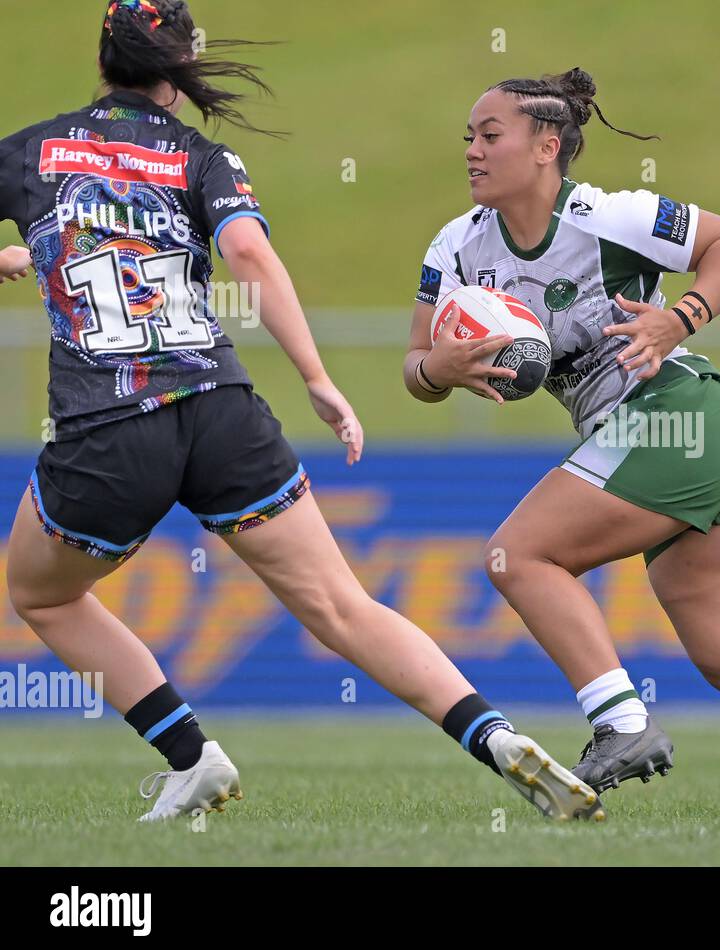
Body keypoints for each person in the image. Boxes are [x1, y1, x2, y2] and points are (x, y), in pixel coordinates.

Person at [0, 0, 602, 823]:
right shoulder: (200, 155)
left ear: (103, 62)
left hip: (109, 424)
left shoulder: (29, 150)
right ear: (177, 78)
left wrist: (33, 247)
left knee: (42, 594)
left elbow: (92, 238)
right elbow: (247, 253)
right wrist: (318, 380)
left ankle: (193, 756)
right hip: (222, 409)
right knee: (342, 607)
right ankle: (494, 736)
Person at [405, 67, 720, 804]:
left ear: (546, 145)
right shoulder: (455, 247)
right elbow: (414, 365)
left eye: (490, 136)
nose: (472, 151)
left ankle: (620, 724)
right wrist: (441, 368)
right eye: (469, 138)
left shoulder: (608, 214)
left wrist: (678, 318)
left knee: (517, 553)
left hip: (682, 417)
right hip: (680, 440)